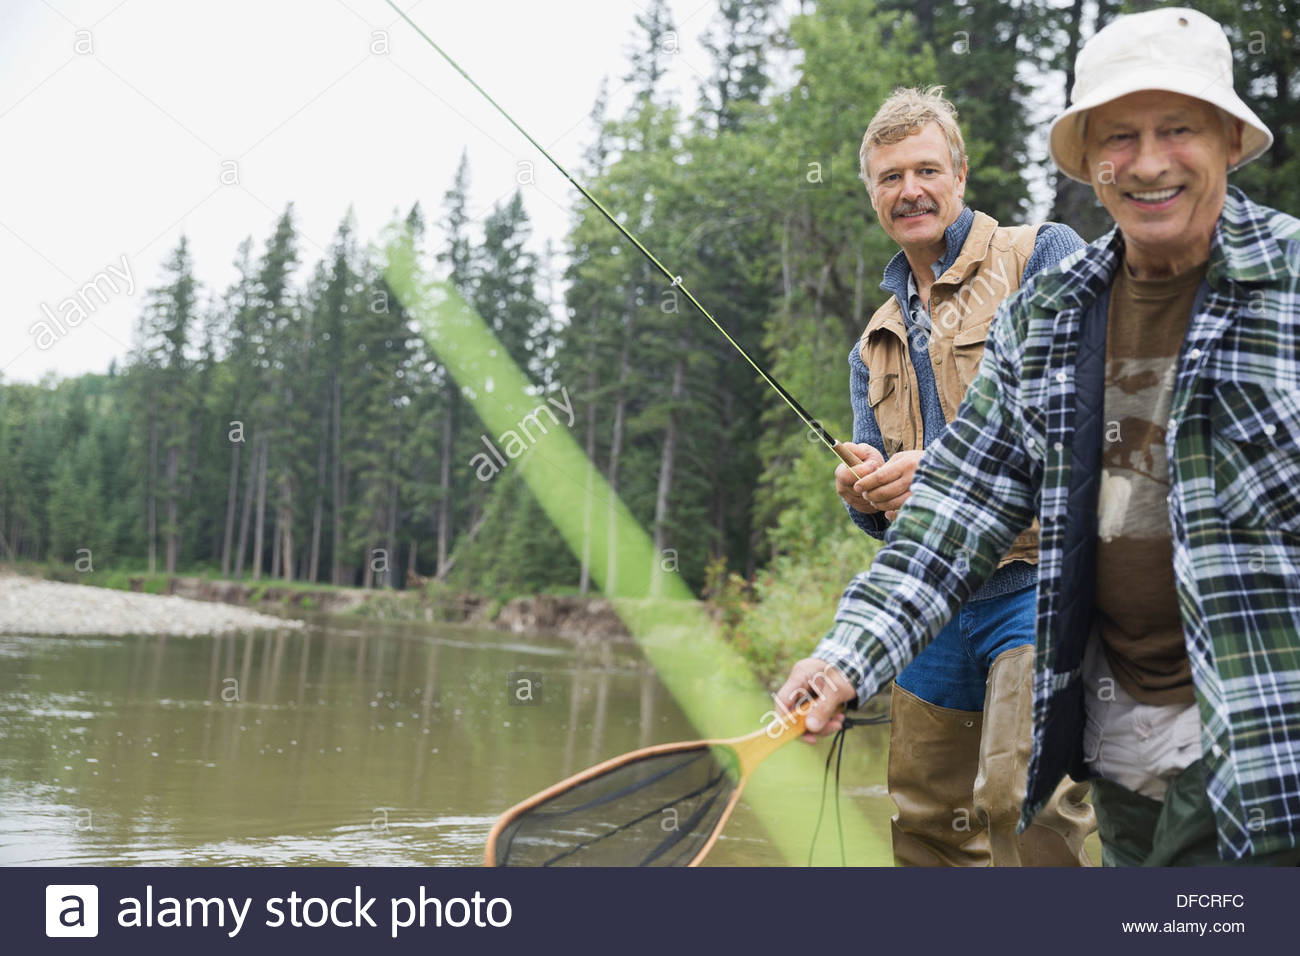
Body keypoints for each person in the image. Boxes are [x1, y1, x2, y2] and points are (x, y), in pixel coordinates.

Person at [779, 6, 1300, 866]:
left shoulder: (1285, 284)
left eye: (1178, 128)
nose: (1149, 161)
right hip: (1127, 738)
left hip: (1265, 737)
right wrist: (843, 661)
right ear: (1091, 160)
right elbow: (956, 510)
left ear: (1231, 142)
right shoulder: (1053, 319)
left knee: (1034, 829)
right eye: (1119, 137)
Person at [832, 87, 1094, 867]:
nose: (909, 190)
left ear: (960, 174)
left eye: (926, 170)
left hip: (1037, 584)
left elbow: (1082, 416)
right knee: (923, 822)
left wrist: (940, 469)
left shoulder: (1040, 254)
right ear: (872, 193)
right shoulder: (871, 345)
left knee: (1028, 806)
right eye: (889, 177)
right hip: (932, 612)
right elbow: (881, 519)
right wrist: (868, 494)